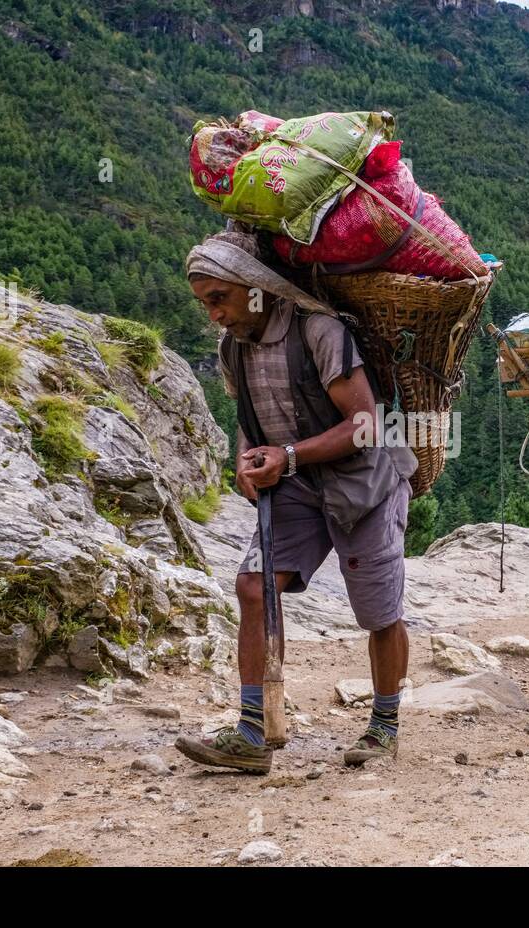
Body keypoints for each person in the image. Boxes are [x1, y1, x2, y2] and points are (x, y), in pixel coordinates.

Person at [175, 230, 417, 775]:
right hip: (296, 487)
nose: (214, 314)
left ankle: (384, 724)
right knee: (253, 586)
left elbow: (365, 425)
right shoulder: (233, 347)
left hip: (364, 488)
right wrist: (247, 460)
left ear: (256, 288)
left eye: (220, 298)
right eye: (205, 303)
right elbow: (249, 419)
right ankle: (254, 730)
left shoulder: (319, 332)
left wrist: (285, 453)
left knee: (378, 613)